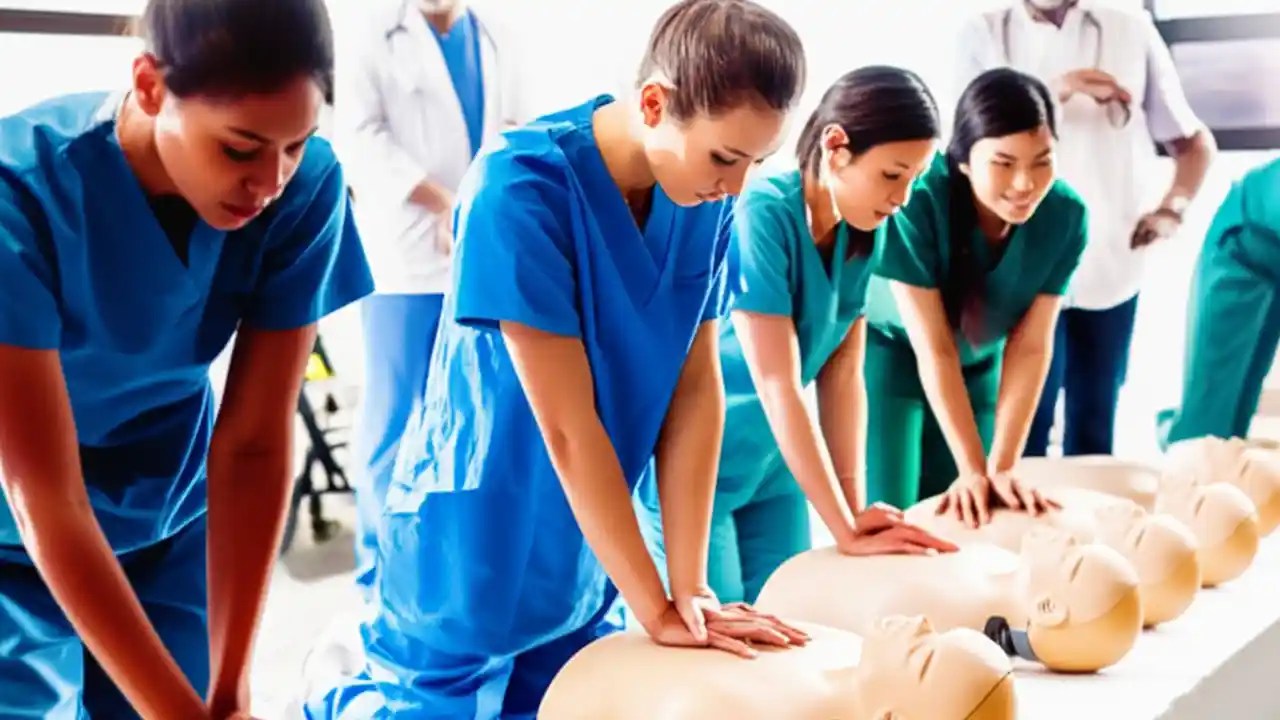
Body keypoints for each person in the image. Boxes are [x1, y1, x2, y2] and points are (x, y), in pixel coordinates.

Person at [306, 1, 810, 718]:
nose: (736, 188)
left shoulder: (704, 196)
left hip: (585, 544)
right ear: (654, 103)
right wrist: (657, 610)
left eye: (756, 163)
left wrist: (687, 584)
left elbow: (696, 391)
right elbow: (570, 432)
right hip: (474, 532)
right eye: (725, 158)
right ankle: (332, 679)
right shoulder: (519, 186)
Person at [0, 0, 373, 718]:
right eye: (240, 148)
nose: (269, 183)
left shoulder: (303, 189)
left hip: (172, 514)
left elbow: (256, 443)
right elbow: (47, 496)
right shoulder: (20, 198)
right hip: (18, 538)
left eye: (295, 144)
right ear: (148, 84)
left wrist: (229, 691)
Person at [636, 66, 958, 605]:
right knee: (713, 646)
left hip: (772, 469)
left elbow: (844, 378)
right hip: (699, 469)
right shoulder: (763, 212)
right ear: (836, 147)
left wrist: (853, 510)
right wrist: (845, 529)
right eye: (891, 175)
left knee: (787, 627)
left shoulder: (866, 230)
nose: (902, 198)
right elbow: (777, 383)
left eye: (913, 181)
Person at [954, 0, 1215, 458]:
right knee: (1019, 434)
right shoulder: (984, 32)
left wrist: (1172, 208)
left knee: (1095, 432)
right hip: (1018, 271)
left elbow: (1193, 143)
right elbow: (965, 146)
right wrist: (1055, 91)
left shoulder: (1129, 28)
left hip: (1109, 264)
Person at [334, 0, 524, 601]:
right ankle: (380, 576)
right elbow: (360, 139)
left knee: (474, 410)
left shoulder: (494, 35)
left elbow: (514, 133)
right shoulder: (371, 34)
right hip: (406, 260)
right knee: (396, 419)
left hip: (480, 251)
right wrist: (447, 201)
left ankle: (449, 568)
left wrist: (483, 205)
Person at [861, 67, 1084, 527]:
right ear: (964, 160)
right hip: (894, 357)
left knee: (970, 511)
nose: (1025, 183)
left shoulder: (1065, 214)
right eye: (1004, 163)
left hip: (981, 362)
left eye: (1042, 160)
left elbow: (1032, 345)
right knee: (896, 515)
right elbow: (935, 347)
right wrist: (971, 465)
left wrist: (998, 467)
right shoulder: (919, 200)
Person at [1158, 158, 1280, 447]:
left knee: (1241, 406)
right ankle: (1182, 450)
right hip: (1240, 248)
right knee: (1210, 412)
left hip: (1271, 244)